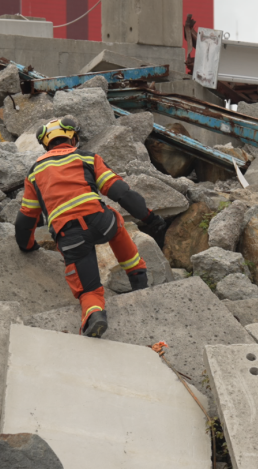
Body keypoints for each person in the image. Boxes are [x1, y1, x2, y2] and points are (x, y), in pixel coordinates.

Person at [14, 117, 168, 338]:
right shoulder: (87, 157)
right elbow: (121, 193)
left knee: (88, 289)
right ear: (73, 137)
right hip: (100, 222)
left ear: (46, 144)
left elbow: (27, 217)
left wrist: (27, 245)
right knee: (116, 224)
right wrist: (150, 217)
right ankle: (138, 277)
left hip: (69, 235)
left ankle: (95, 315)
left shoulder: (35, 172)